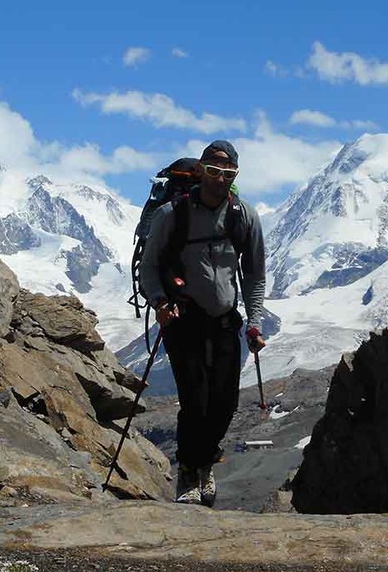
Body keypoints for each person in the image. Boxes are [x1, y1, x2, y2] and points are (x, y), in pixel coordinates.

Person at [138, 139, 266, 506]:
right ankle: (190, 473)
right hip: (183, 319)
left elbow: (254, 275)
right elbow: (150, 268)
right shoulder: (171, 215)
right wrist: (160, 301)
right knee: (195, 400)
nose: (219, 180)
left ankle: (205, 463)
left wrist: (254, 322)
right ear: (200, 172)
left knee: (224, 403)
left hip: (225, 319)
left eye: (228, 174)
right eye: (213, 172)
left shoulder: (244, 216)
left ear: (235, 177)